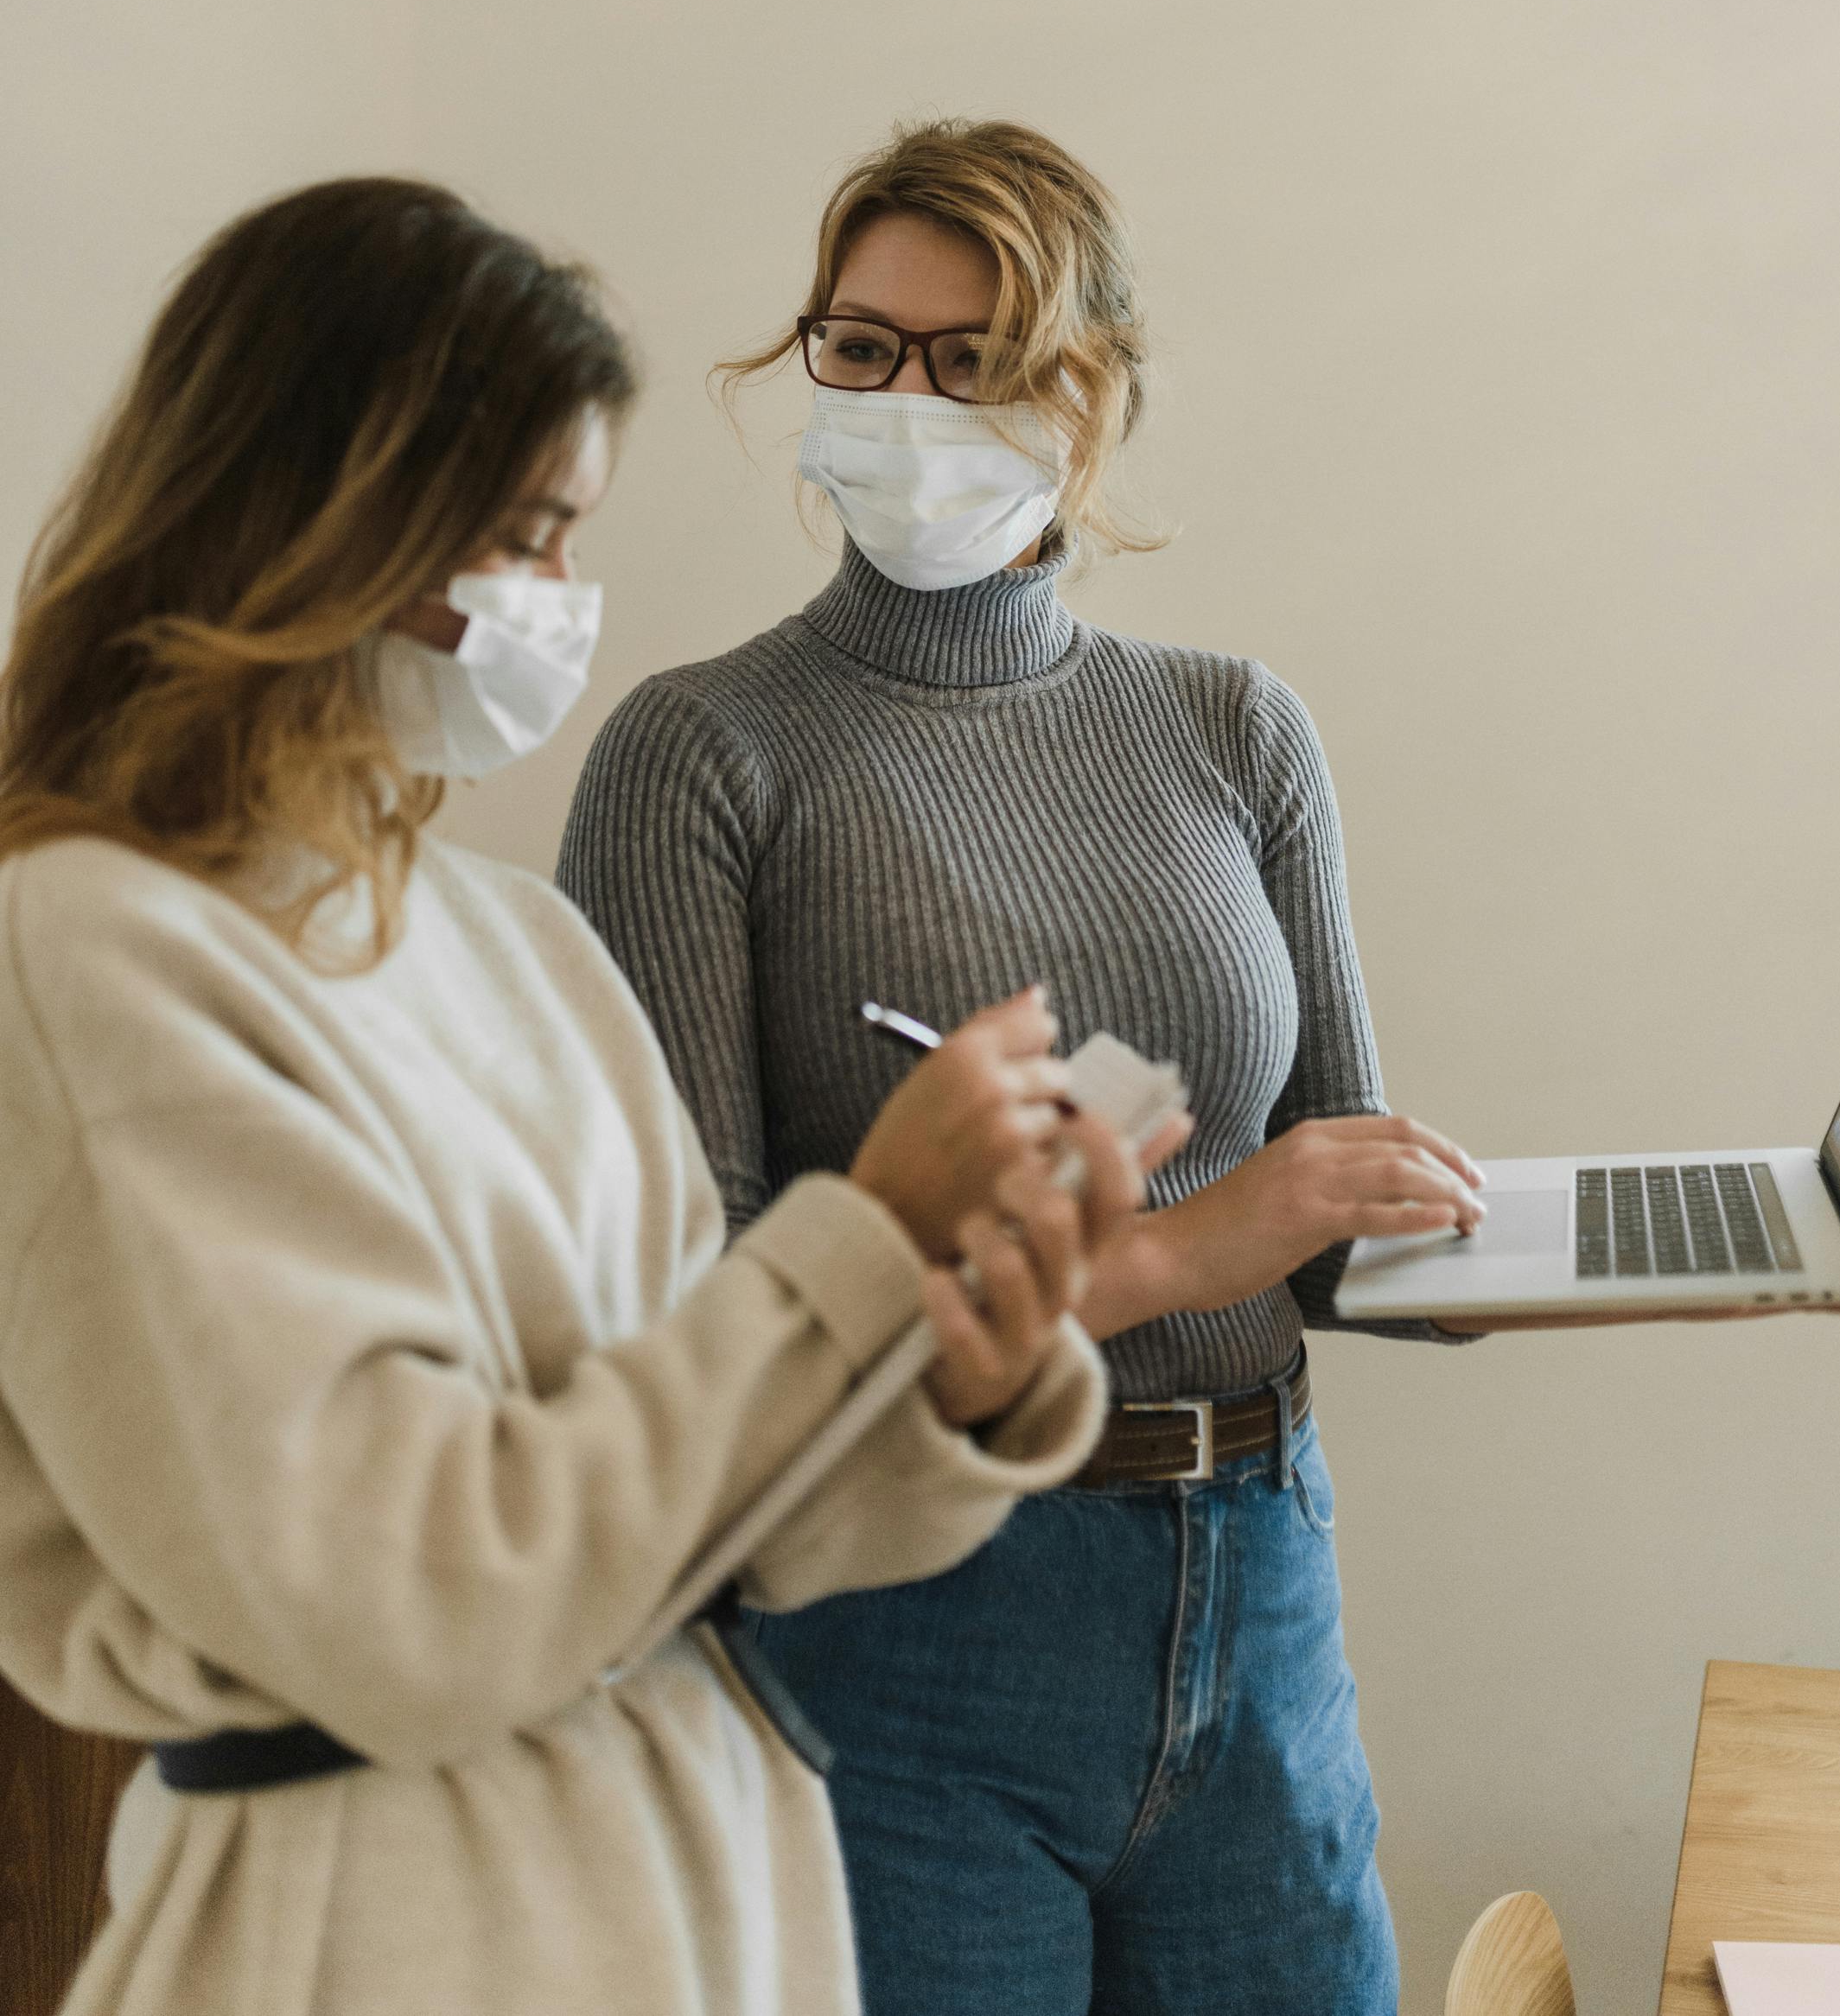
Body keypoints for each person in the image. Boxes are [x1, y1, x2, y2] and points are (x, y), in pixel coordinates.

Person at [0, 175, 1165, 2016]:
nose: (557, 602)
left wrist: (955, 1357)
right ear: (324, 514)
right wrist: (855, 1237)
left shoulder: (515, 940)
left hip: (691, 1880)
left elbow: (700, 1510)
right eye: (524, 536)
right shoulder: (83, 954)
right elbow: (421, 1598)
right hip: (393, 1925)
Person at [557, 118, 1487, 2016]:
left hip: (1259, 1577)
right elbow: (693, 1324)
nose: (909, 399)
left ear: (1092, 395)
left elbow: (1333, 1216)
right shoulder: (701, 755)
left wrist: (1663, 1257)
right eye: (863, 345)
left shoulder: (1235, 726)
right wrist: (1164, 1253)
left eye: (972, 357)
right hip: (907, 1616)